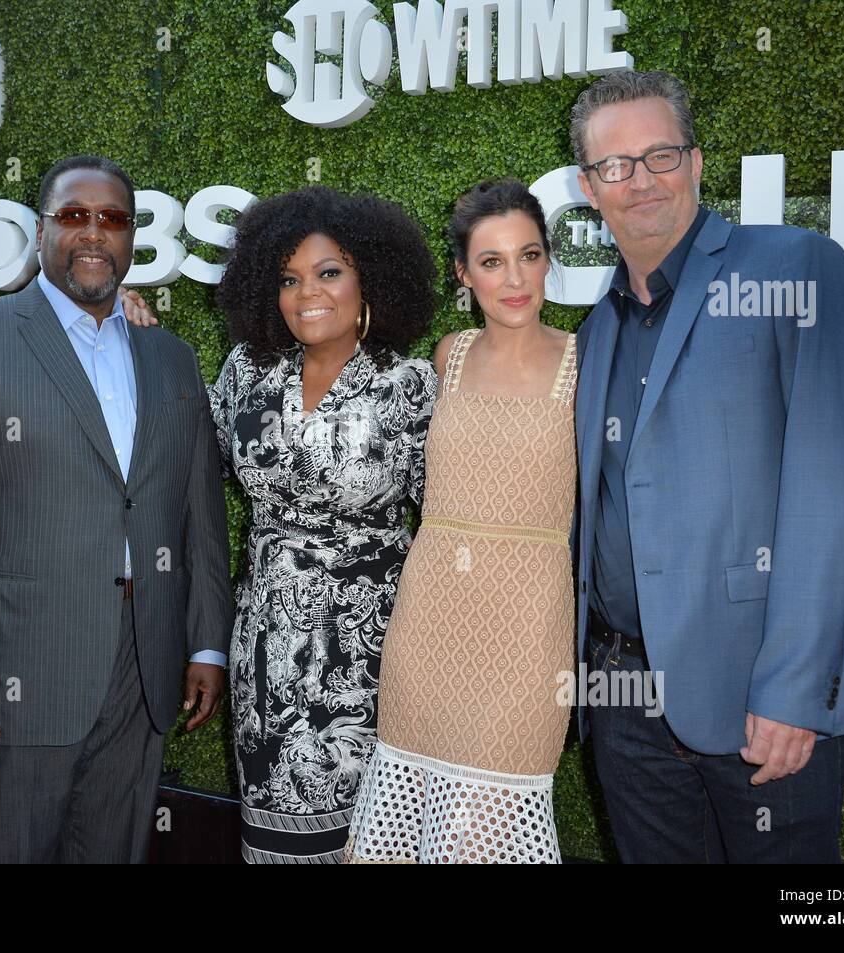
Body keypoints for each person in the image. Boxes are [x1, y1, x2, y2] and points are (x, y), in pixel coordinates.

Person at [570, 70, 844, 862]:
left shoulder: (797, 267)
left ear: (698, 161)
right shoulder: (593, 328)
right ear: (588, 186)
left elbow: (834, 486)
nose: (640, 180)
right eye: (616, 165)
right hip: (624, 700)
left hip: (759, 697)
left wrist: (792, 692)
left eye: (660, 155)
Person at [0, 154, 232, 863]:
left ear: (130, 238)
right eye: (74, 216)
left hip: (143, 665)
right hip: (19, 669)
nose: (93, 234)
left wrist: (206, 640)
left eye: (112, 219)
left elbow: (197, 509)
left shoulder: (170, 357)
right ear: (40, 231)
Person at [344, 179, 577, 863]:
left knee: (482, 834)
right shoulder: (449, 355)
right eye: (493, 261)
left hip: (527, 635)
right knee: (406, 830)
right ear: (463, 272)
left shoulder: (584, 361)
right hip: (429, 625)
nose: (515, 278)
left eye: (529, 255)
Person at [207, 187, 437, 863]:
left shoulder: (411, 385)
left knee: (373, 843)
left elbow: (445, 524)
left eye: (328, 271)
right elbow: (192, 469)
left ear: (369, 278)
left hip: (371, 657)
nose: (307, 292)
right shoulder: (247, 373)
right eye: (288, 278)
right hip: (267, 658)